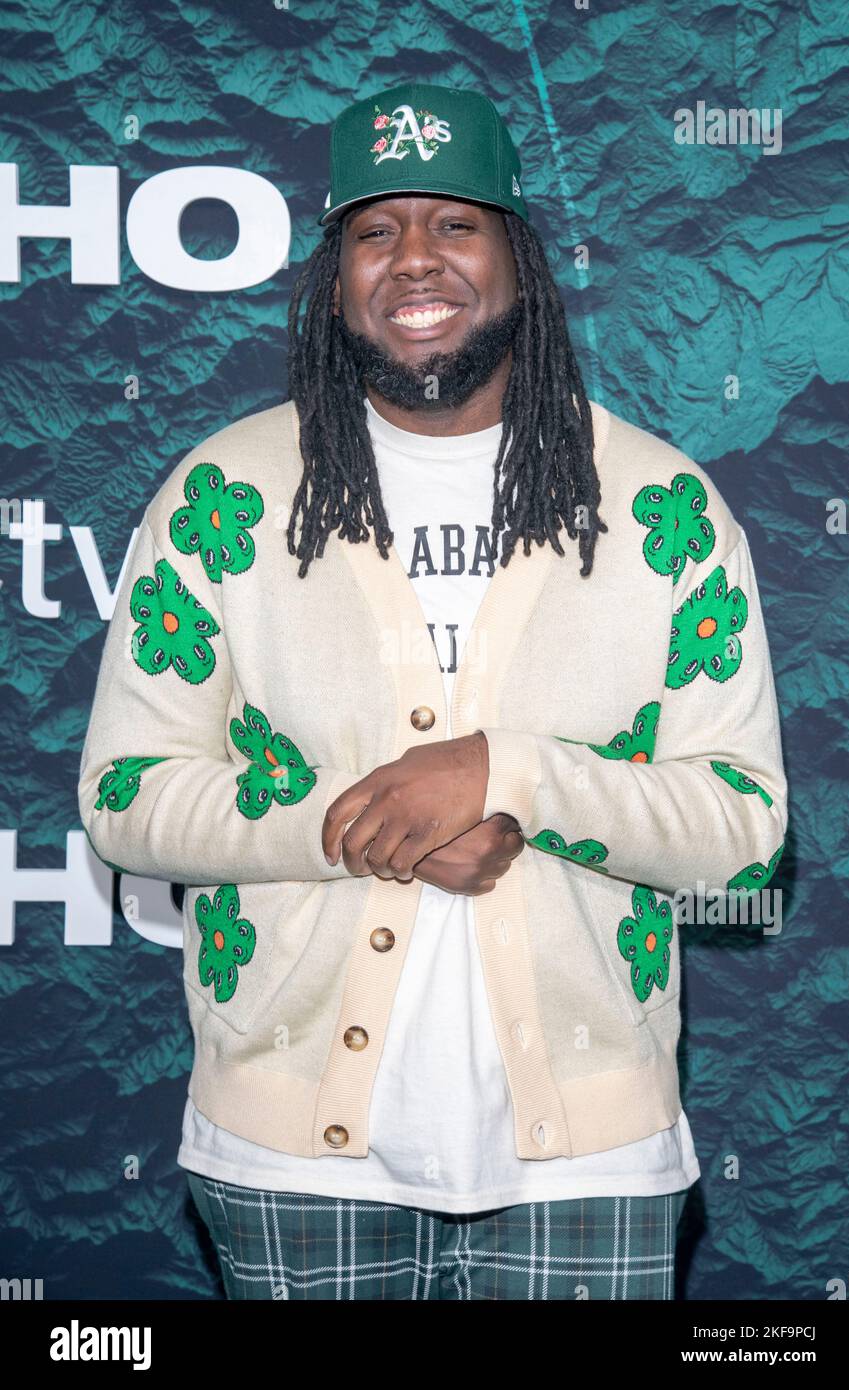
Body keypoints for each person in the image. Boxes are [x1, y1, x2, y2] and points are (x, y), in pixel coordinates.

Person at [77, 82, 788, 1301]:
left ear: (518, 257)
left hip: (590, 1161)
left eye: (453, 224)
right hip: (287, 1155)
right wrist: (363, 829)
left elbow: (742, 827)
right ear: (333, 273)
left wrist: (505, 774)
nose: (414, 259)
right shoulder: (222, 496)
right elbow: (126, 792)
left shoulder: (660, 508)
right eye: (374, 229)